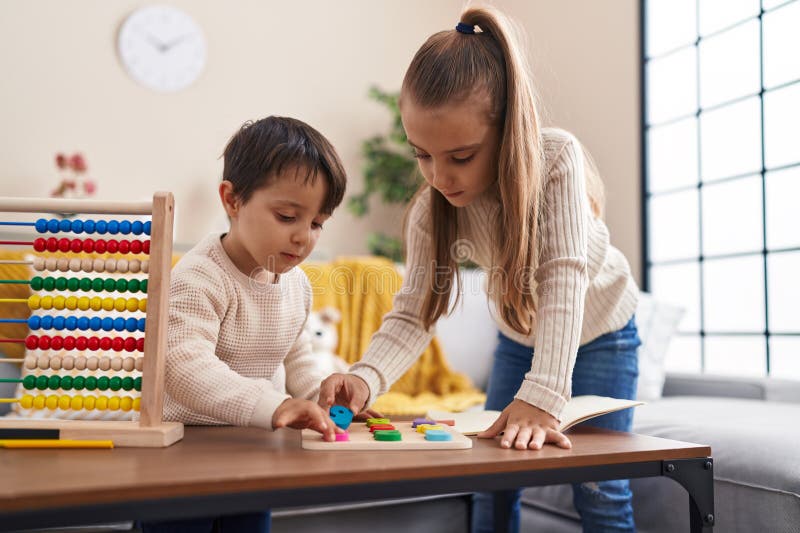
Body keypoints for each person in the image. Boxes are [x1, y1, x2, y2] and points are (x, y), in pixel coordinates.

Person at [319, 6, 640, 533]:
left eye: (461, 156)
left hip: (603, 333)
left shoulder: (556, 159)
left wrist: (543, 395)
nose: (439, 176)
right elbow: (412, 315)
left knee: (601, 490)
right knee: (491, 481)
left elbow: (563, 279)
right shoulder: (433, 209)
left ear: (508, 129)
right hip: (521, 334)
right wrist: (364, 378)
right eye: (422, 154)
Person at [140, 115, 348, 533]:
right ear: (232, 201)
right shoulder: (199, 278)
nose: (303, 237)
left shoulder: (297, 285)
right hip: (182, 451)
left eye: (317, 223)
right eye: (288, 217)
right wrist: (276, 406)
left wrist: (319, 397)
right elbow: (182, 366)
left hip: (253, 448)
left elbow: (296, 353)